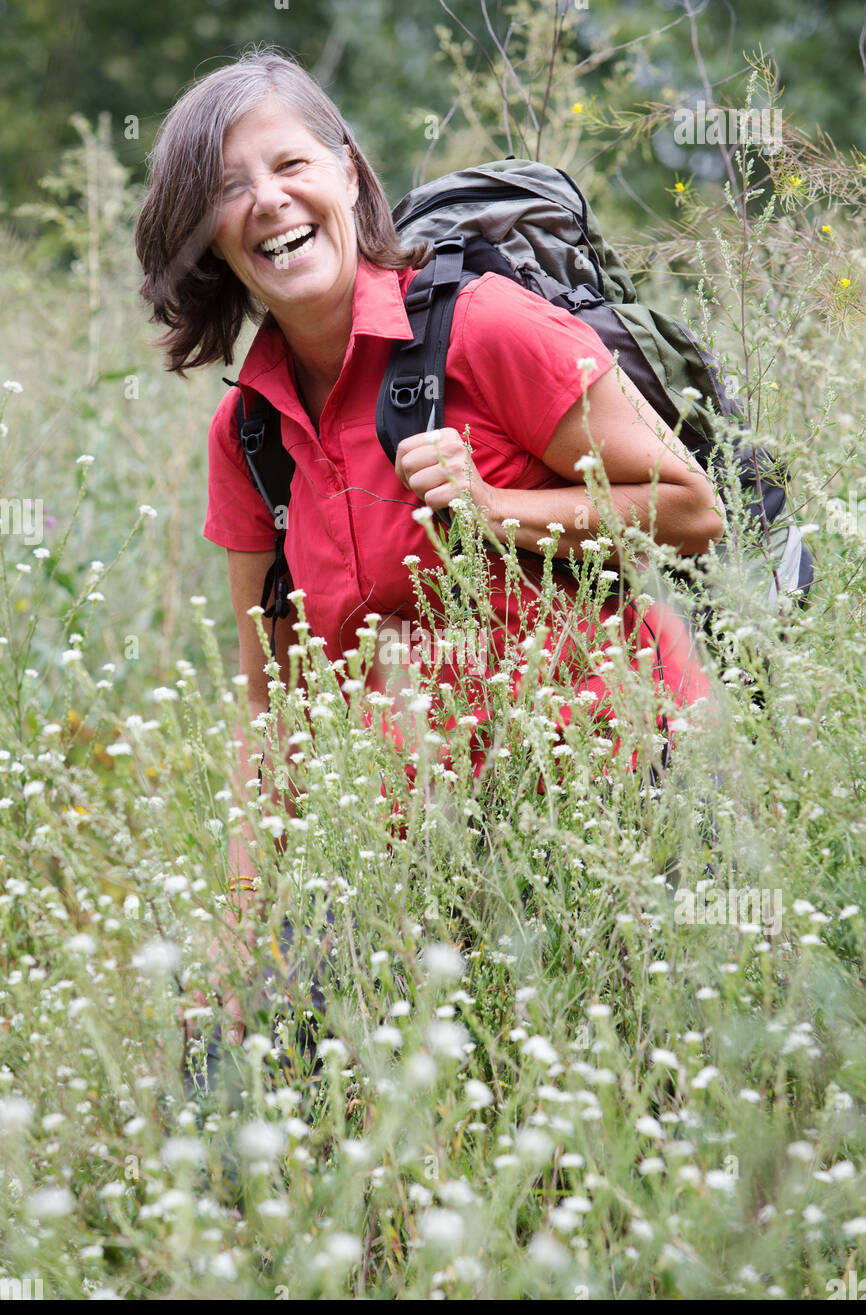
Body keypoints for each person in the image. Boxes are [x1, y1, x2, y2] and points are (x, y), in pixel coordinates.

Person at [135, 48, 723, 1050]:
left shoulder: (488, 329)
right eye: (228, 189)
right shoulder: (247, 435)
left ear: (348, 175)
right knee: (259, 1078)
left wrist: (494, 508)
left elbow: (688, 507)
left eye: (290, 166)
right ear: (204, 239)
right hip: (427, 835)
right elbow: (271, 715)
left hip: (622, 791)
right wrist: (244, 931)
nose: (268, 202)